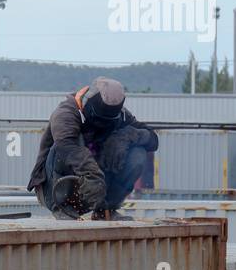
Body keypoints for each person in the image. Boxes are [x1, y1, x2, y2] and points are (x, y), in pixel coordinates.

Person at [27, 77, 158, 220]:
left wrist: (128, 135)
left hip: (98, 186)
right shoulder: (67, 112)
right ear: (88, 103)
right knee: (67, 145)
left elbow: (153, 140)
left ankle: (105, 210)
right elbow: (65, 145)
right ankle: (62, 208)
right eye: (99, 119)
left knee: (137, 153)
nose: (101, 125)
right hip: (53, 186)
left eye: (107, 122)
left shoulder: (122, 115)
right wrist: (92, 172)